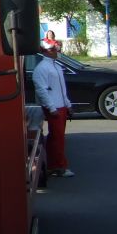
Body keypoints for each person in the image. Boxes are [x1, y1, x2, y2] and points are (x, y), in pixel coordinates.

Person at [31, 40, 74, 177]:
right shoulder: (42, 68)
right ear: (47, 51)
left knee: (55, 137)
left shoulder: (55, 66)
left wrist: (67, 104)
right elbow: (41, 90)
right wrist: (51, 108)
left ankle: (52, 164)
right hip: (54, 106)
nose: (57, 52)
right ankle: (60, 166)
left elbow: (62, 89)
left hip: (60, 105)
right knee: (58, 137)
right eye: (54, 50)